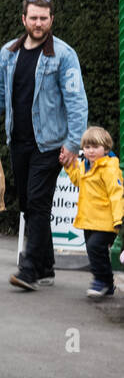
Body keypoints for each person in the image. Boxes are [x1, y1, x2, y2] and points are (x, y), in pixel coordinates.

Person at [0, 0, 88, 291]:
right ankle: (46, 267)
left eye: (44, 18)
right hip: (18, 141)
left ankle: (28, 270)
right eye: (34, 18)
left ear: (51, 20)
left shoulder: (64, 56)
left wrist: (72, 144)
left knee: (39, 205)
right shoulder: (8, 53)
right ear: (24, 19)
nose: (39, 23)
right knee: (28, 205)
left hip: (51, 145)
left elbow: (77, 103)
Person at [61, 126, 124, 298]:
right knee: (95, 251)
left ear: (106, 148)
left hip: (106, 221)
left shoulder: (109, 168)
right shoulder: (85, 166)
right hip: (88, 220)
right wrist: (68, 166)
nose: (91, 151)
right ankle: (108, 284)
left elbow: (117, 193)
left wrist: (119, 218)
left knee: (95, 247)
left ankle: (100, 281)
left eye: (95, 147)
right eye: (87, 147)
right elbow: (77, 181)